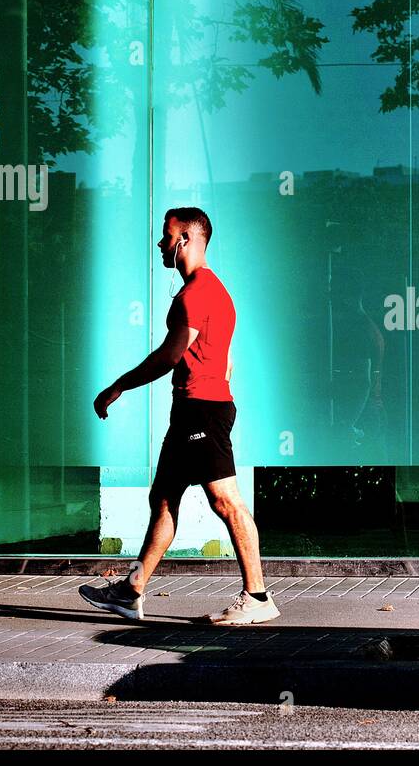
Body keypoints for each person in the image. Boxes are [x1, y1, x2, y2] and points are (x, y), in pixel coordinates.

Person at [80, 207, 278, 625]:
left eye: (165, 236)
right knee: (164, 499)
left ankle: (258, 597)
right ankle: (130, 591)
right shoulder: (216, 291)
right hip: (195, 409)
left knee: (226, 501)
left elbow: (170, 356)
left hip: (201, 412)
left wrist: (117, 386)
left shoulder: (196, 294)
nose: (159, 244)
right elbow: (225, 362)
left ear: (185, 239)